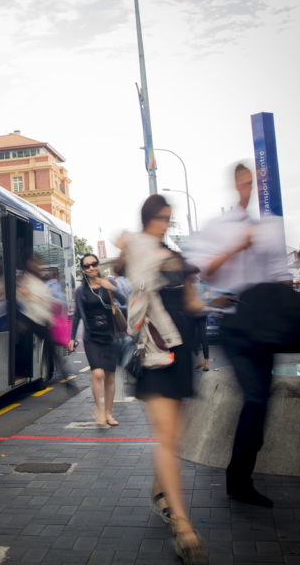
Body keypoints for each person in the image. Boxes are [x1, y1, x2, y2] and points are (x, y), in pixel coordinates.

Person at [185, 163, 291, 508]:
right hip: (234, 324)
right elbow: (205, 271)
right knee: (256, 398)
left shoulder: (271, 228)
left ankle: (241, 478)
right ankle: (238, 480)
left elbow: (280, 274)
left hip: (265, 324)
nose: (249, 188)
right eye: (244, 183)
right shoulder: (220, 227)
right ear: (235, 184)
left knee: (261, 403)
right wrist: (237, 247)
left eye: (254, 183)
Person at [124, 195, 208, 564]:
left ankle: (161, 491)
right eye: (160, 218)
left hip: (180, 351)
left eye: (169, 219)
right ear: (147, 219)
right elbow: (139, 283)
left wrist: (213, 302)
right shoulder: (144, 247)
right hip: (157, 356)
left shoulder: (166, 249)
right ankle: (183, 525)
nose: (165, 224)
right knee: (167, 440)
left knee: (175, 439)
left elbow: (189, 303)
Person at [69, 253, 125, 426]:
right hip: (91, 338)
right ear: (83, 270)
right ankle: (99, 410)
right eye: (87, 266)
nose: (91, 268)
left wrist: (112, 288)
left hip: (110, 337)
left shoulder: (109, 285)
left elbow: (125, 301)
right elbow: (78, 314)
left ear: (98, 265)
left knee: (110, 377)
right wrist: (72, 337)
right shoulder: (81, 291)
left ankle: (108, 413)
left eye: (94, 264)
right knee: (97, 374)